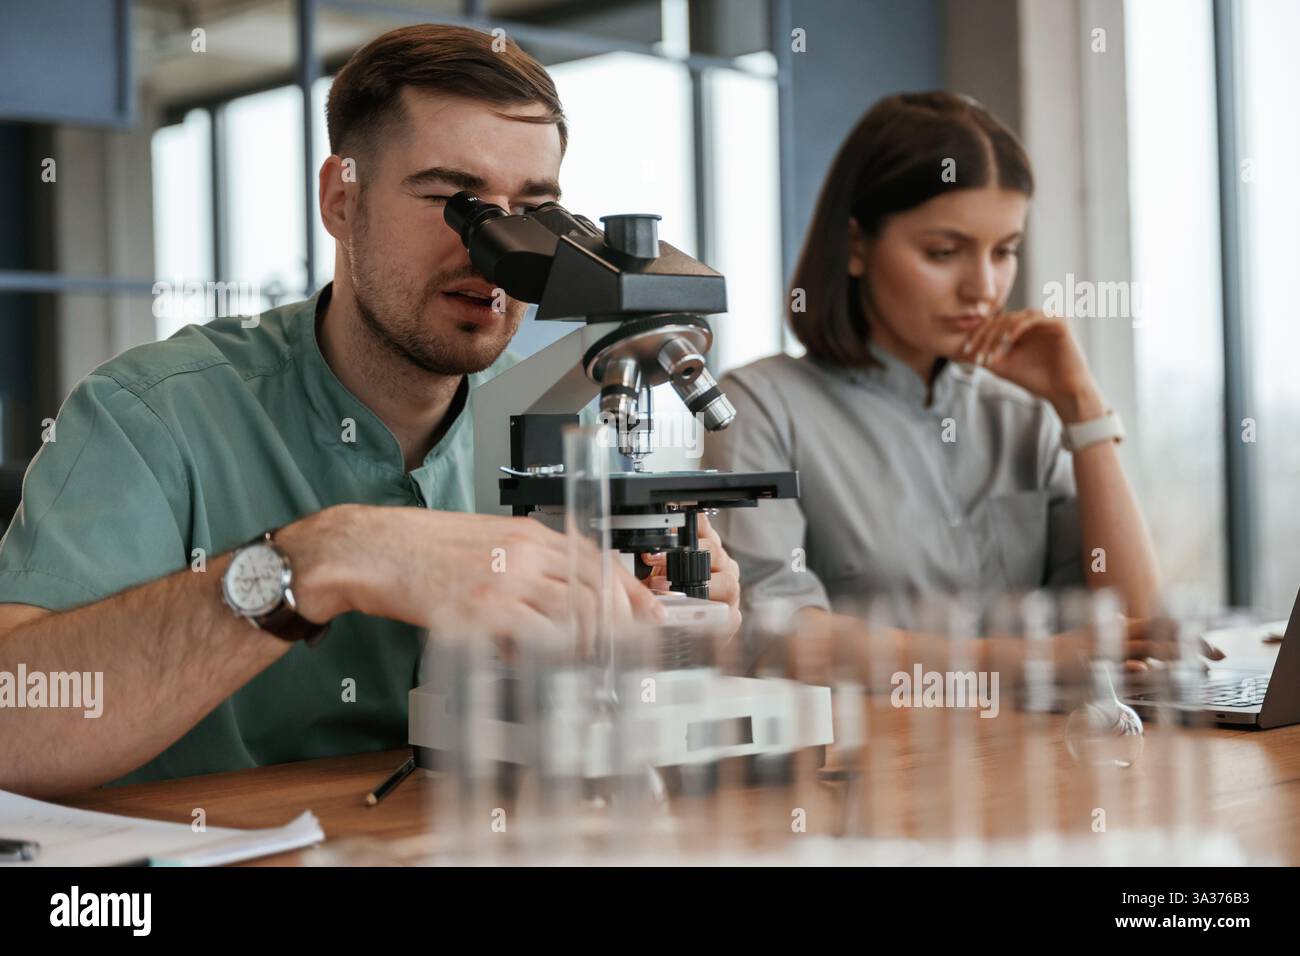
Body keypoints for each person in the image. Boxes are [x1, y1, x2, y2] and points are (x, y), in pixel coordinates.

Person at [0, 25, 739, 798]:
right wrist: (324, 556)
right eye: (456, 202)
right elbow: (15, 725)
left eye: (534, 208)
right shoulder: (151, 415)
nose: (495, 249)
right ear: (342, 200)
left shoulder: (561, 410)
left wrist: (686, 627)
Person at [703, 92, 1159, 632]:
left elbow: (1138, 629)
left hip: (1046, 722)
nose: (983, 288)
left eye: (1004, 251)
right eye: (944, 252)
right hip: (869, 722)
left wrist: (1084, 411)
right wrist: (1015, 666)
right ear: (856, 245)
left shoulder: (1027, 418)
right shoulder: (761, 408)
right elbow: (774, 634)